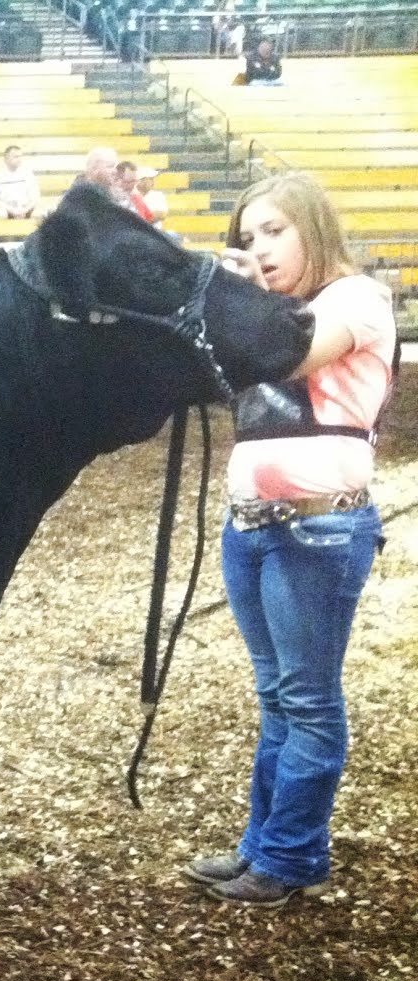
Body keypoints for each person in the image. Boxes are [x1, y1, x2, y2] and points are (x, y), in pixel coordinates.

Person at [184, 172, 395, 907]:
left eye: (273, 231)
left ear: (312, 224)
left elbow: (293, 355)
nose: (259, 250)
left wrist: (232, 296)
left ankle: (291, 857)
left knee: (307, 700)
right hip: (253, 528)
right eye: (246, 239)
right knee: (279, 696)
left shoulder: (354, 300)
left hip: (320, 530)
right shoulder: (271, 312)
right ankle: (262, 848)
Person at [0, 144, 40, 219]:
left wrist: (25, 210)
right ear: (6, 159)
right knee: (0, 214)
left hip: (25, 209)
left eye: (20, 156)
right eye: (16, 157)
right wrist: (12, 210)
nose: (19, 159)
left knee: (39, 214)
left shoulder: (28, 174)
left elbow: (35, 197)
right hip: (6, 210)